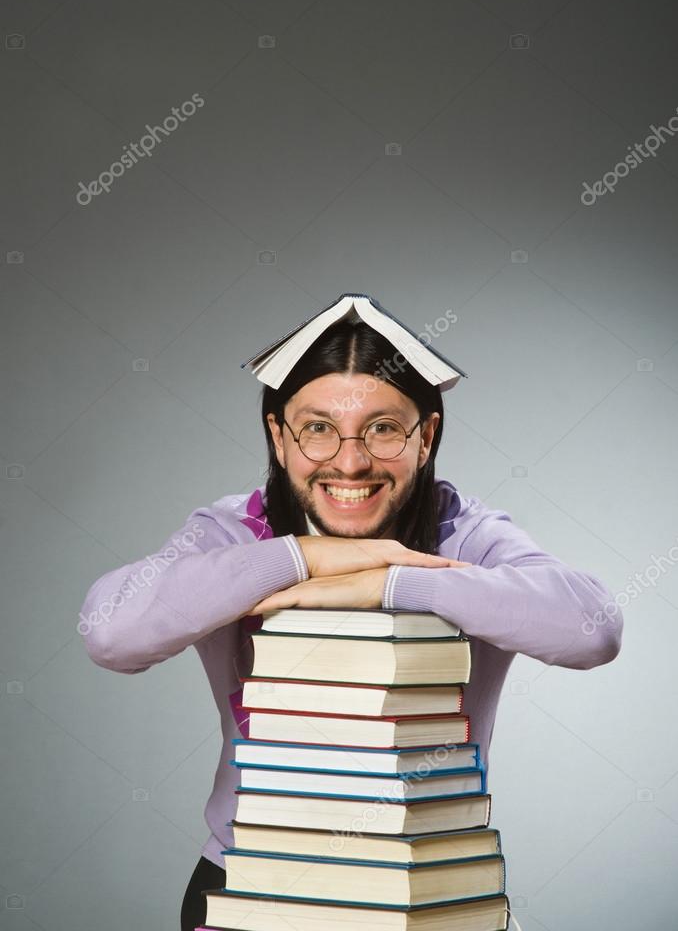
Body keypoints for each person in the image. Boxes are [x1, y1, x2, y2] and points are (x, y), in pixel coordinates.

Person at [79, 319, 623, 930]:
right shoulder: (234, 533)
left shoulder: (464, 535)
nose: (351, 461)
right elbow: (111, 633)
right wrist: (303, 557)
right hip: (253, 881)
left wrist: (394, 580)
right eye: (317, 429)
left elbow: (592, 629)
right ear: (278, 436)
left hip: (431, 886)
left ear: (427, 436)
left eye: (384, 429)